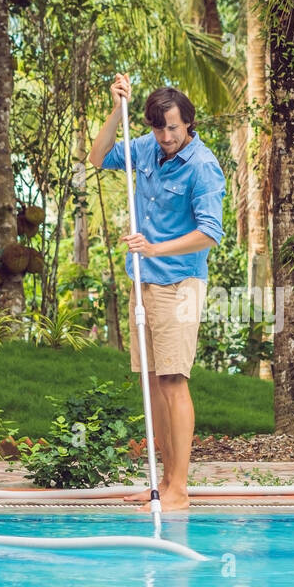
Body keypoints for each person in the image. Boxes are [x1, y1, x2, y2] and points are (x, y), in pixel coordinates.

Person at [89, 73, 225, 511]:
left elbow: (209, 232)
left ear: (188, 122)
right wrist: (118, 107)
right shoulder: (146, 147)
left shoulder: (202, 165)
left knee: (173, 380)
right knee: (152, 385)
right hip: (142, 281)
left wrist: (156, 248)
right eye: (157, 127)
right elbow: (96, 157)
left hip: (179, 283)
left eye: (173, 127)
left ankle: (179, 490)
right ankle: (162, 484)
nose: (166, 137)